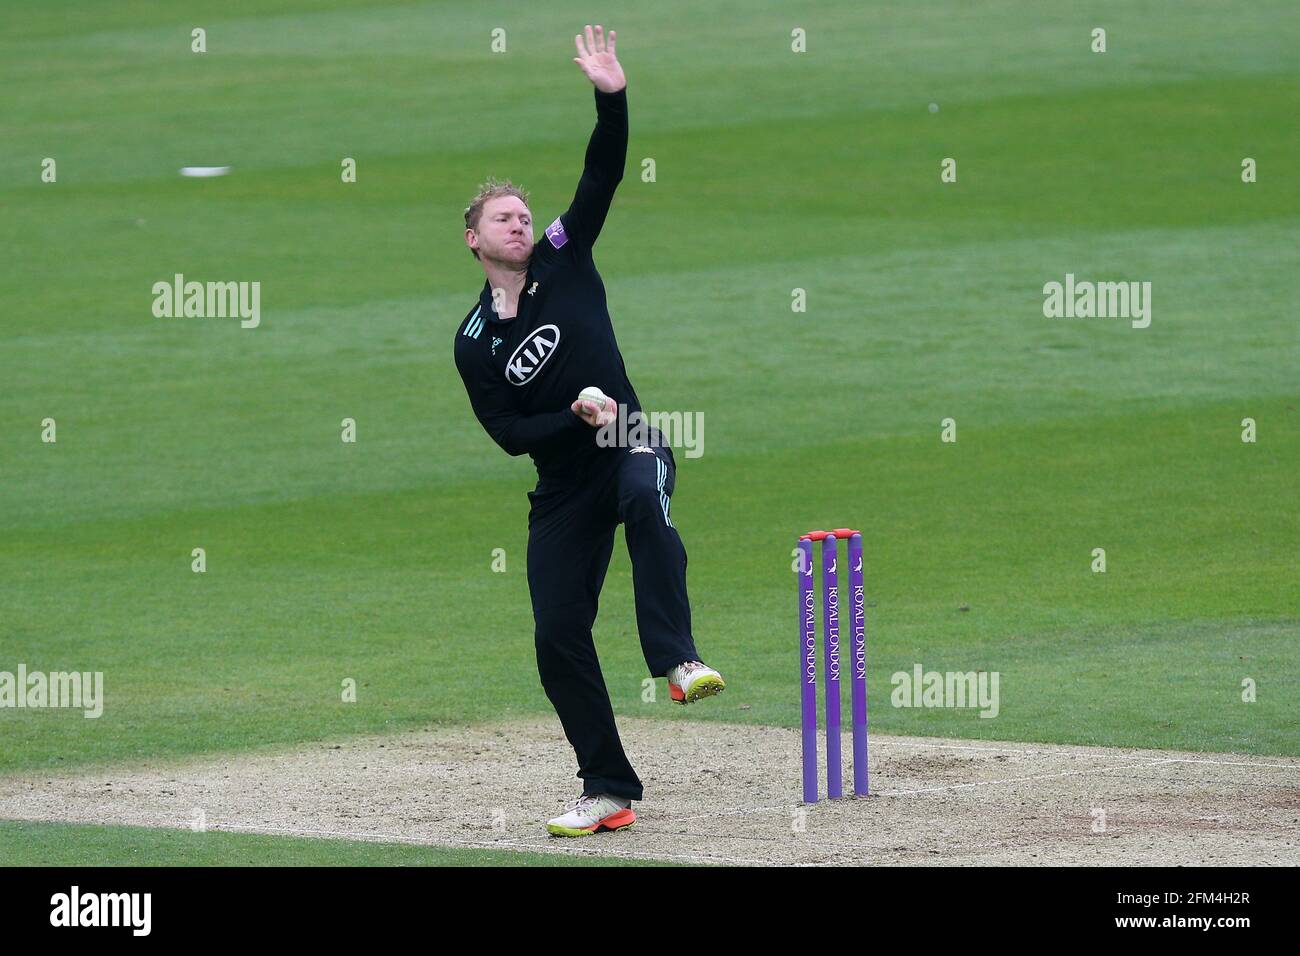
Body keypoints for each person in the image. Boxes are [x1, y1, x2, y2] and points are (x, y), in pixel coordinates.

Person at [453, 25, 725, 837]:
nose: (519, 224)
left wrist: (612, 95)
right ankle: (607, 786)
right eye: (503, 218)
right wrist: (567, 418)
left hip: (627, 438)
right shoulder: (474, 341)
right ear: (473, 239)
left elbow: (602, 170)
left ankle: (677, 659)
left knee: (646, 498)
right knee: (556, 634)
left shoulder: (565, 257)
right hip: (565, 480)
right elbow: (506, 432)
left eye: (524, 215)